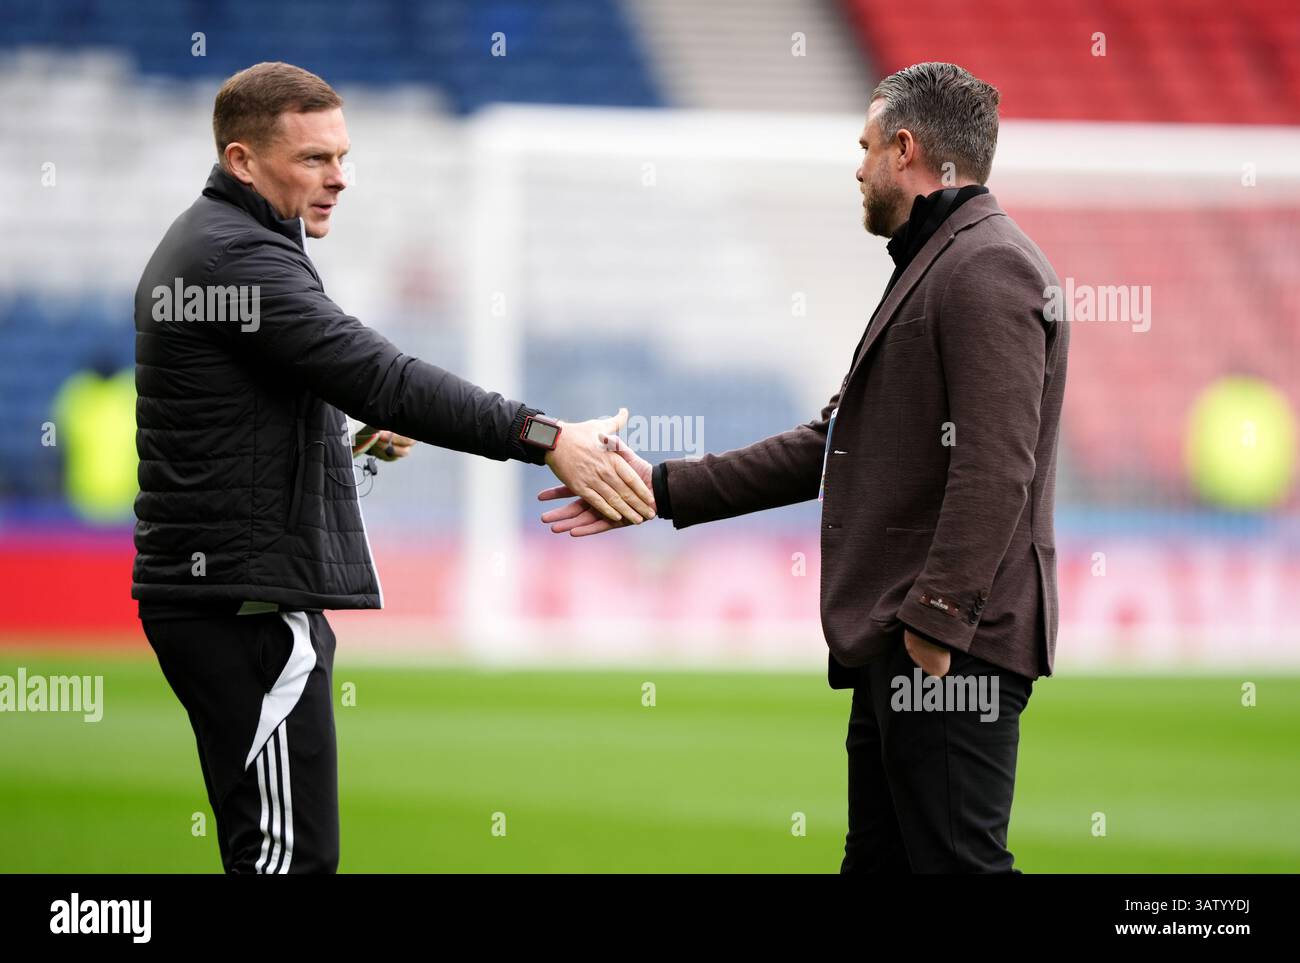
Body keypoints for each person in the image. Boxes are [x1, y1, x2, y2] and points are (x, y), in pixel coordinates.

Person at [539, 62, 1069, 873]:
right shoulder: (939, 262)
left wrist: (934, 621)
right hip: (900, 640)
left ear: (905, 148)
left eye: (864, 148)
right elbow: (834, 441)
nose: (856, 169)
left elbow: (997, 466)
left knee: (959, 864)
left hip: (948, 644)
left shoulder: (985, 266)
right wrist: (658, 489)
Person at [133, 61, 654, 873]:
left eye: (342, 156)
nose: (339, 177)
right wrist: (547, 435)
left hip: (222, 594)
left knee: (274, 853)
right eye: (313, 159)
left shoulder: (227, 242)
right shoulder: (238, 256)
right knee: (284, 861)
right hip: (246, 608)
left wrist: (337, 444)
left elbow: (227, 425)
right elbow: (383, 377)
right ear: (241, 160)